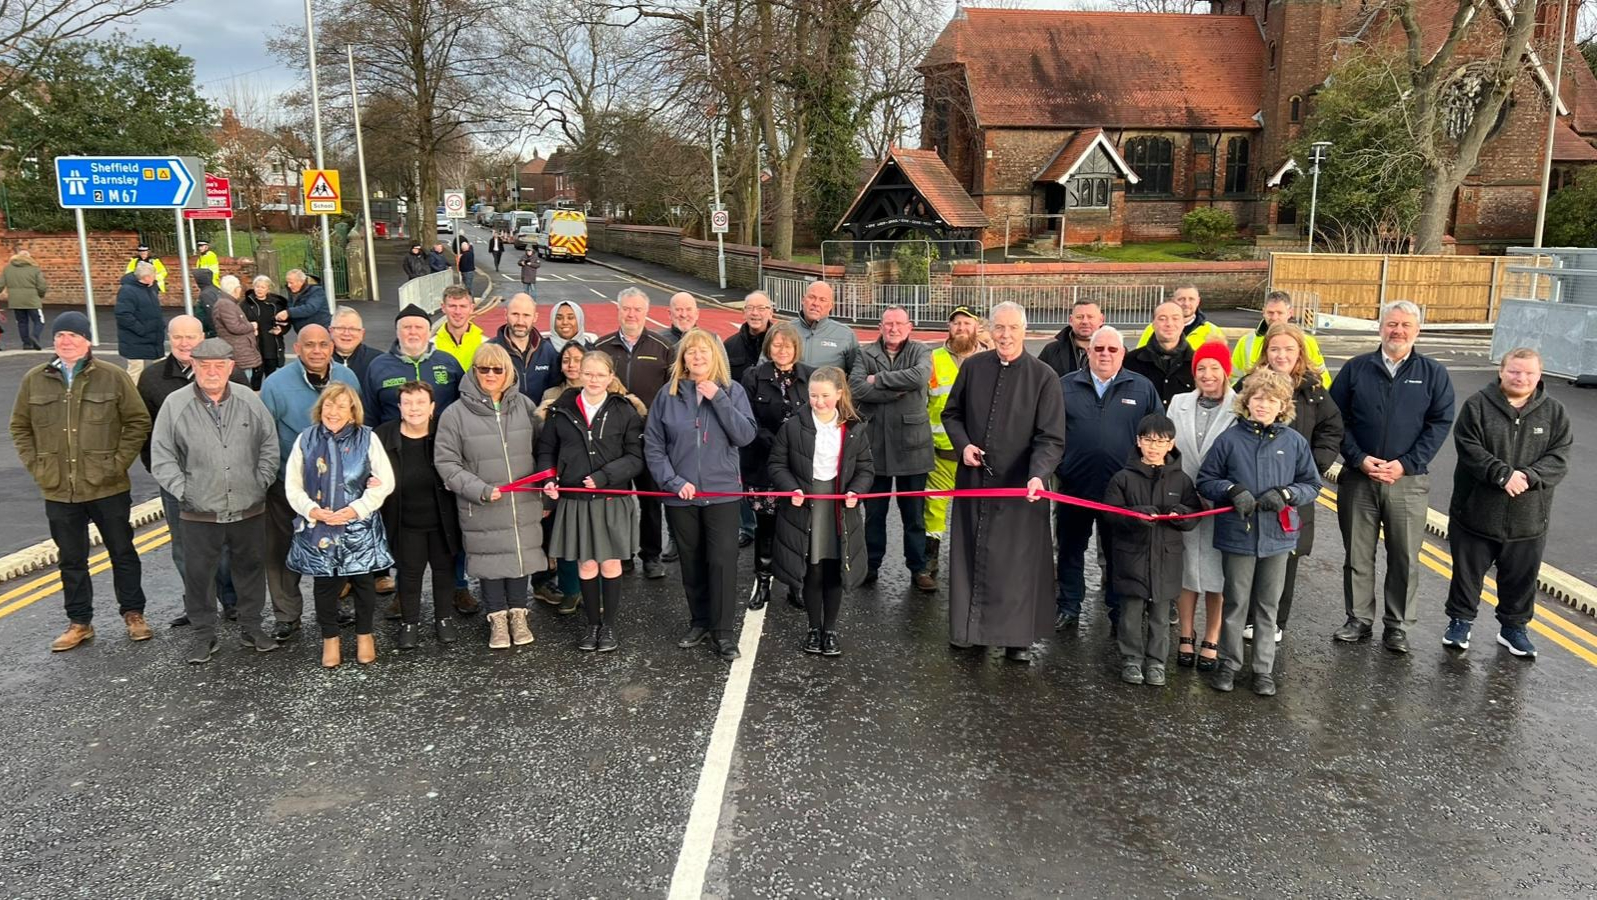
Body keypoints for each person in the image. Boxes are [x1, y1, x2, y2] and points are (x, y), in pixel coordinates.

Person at [10, 311, 152, 652]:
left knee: (123, 552)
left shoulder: (113, 376)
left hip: (108, 486)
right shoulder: (34, 379)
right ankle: (79, 622)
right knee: (71, 559)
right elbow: (20, 427)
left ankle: (134, 615)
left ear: (88, 340)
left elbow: (137, 421)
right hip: (59, 489)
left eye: (73, 335)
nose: (66, 341)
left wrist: (117, 464)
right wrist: (38, 466)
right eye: (60, 336)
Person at [941, 302, 1066, 662]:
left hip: (1021, 487)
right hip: (975, 480)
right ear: (988, 331)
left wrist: (1038, 474)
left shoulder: (1044, 377)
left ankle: (1016, 640)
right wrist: (963, 446)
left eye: (1012, 328)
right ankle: (969, 630)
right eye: (998, 328)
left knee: (1016, 565)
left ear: (1025, 331)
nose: (1005, 335)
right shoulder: (973, 367)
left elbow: (1051, 437)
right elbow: (952, 414)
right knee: (970, 555)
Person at [1330, 300, 1455, 653]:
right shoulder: (1356, 369)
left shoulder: (1433, 374)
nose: (1397, 331)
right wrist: (1358, 458)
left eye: (1405, 325)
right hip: (1359, 477)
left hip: (1408, 481)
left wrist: (1406, 463)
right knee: (1357, 553)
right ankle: (1358, 619)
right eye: (1391, 324)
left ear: (1417, 330)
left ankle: (1397, 625)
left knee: (1404, 555)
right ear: (1380, 327)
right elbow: (1337, 420)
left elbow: (1439, 423)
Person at [150, 338, 279, 664]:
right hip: (199, 511)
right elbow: (162, 456)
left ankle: (252, 627)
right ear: (193, 366)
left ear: (230, 367)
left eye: (219, 365)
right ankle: (203, 636)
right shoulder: (175, 405)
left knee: (250, 570)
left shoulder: (249, 399)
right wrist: (185, 491)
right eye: (204, 365)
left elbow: (269, 444)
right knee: (199, 575)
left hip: (249, 506)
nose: (212, 371)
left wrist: (260, 481)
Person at [1197, 370, 1321, 696]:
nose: (1263, 405)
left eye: (1271, 400)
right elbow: (1206, 479)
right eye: (1257, 398)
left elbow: (1311, 485)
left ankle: (1263, 669)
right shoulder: (1229, 439)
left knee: (1268, 605)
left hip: (1278, 537)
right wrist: (1231, 489)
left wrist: (1286, 495)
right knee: (1236, 602)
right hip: (1239, 533)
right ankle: (1228, 664)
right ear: (1246, 401)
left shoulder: (1294, 442)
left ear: (1282, 405)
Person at [1443, 348, 1572, 659]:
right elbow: (1468, 447)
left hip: (1528, 520)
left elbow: (1559, 457)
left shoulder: (1554, 413)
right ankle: (1460, 622)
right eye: (1515, 371)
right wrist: (1501, 475)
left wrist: (1527, 477)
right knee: (1467, 574)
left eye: (1529, 372)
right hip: (1475, 514)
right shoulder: (1478, 405)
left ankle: (1513, 628)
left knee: (1521, 577)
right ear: (1501, 371)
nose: (1521, 378)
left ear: (1539, 375)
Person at [645, 328, 757, 661]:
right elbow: (653, 444)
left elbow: (745, 435)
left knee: (722, 563)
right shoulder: (667, 394)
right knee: (691, 562)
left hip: (722, 494)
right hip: (681, 496)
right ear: (682, 358)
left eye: (704, 351)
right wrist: (672, 481)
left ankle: (723, 632)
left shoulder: (732, 391)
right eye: (691, 352)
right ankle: (700, 621)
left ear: (715, 357)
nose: (697, 356)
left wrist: (717, 399)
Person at [435, 343, 547, 650]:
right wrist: (478, 490)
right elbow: (446, 463)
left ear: (508, 372)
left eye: (497, 369)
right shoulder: (454, 414)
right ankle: (497, 617)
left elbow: (542, 450)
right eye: (483, 368)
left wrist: (544, 492)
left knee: (519, 557)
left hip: (522, 500)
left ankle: (518, 613)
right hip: (482, 502)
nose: (490, 375)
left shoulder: (525, 406)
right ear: (474, 371)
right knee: (490, 561)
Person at [137, 315, 246, 628]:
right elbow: (146, 432)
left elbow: (246, 425)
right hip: (177, 481)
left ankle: (232, 602)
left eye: (191, 337)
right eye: (177, 337)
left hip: (223, 478)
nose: (184, 343)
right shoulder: (152, 377)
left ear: (203, 337)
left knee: (223, 545)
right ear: (169, 338)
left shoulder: (231, 372)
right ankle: (199, 606)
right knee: (184, 548)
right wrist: (160, 471)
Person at [1053, 325, 1163, 631]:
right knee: (1070, 549)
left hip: (1122, 492)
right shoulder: (1064, 386)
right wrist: (1061, 467)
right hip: (1075, 486)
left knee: (1119, 554)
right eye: (1098, 349)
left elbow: (1156, 436)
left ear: (1122, 353)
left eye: (1112, 349)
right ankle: (1069, 605)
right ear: (1088, 352)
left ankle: (1118, 611)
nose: (1105, 354)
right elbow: (1050, 432)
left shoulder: (1141, 388)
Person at [259, 325, 363, 639]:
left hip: (336, 485)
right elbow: (264, 436)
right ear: (297, 347)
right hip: (287, 484)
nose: (317, 351)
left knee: (331, 547)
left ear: (332, 347)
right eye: (309, 345)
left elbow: (359, 426)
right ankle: (287, 615)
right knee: (281, 550)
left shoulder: (348, 378)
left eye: (323, 345)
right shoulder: (275, 384)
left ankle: (330, 607)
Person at [538, 350, 646, 652]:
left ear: (611, 377)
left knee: (610, 564)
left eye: (600, 374)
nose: (593, 380)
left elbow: (636, 458)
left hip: (611, 498)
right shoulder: (561, 410)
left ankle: (608, 626)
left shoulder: (624, 410)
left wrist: (605, 476)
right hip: (575, 500)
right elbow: (546, 449)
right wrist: (548, 478)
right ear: (580, 374)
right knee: (586, 565)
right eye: (588, 373)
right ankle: (592, 625)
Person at [285, 383, 395, 667]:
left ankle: (365, 636)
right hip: (319, 526)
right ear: (321, 408)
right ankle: (330, 639)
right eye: (329, 405)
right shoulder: (305, 439)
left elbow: (385, 482)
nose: (334, 412)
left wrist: (355, 509)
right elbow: (293, 485)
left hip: (357, 526)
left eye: (341, 406)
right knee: (324, 585)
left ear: (352, 410)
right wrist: (313, 511)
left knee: (363, 583)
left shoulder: (367, 438)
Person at [1245, 323, 1342, 643]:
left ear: (1300, 352)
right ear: (1266, 352)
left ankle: (1274, 621)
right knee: (1250, 553)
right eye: (1275, 349)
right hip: (1254, 486)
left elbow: (1331, 429)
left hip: (1293, 491)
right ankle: (1247, 618)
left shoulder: (1313, 391)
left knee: (1287, 557)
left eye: (1289, 349)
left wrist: (1313, 468)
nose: (1282, 355)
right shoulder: (1248, 385)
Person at [768, 366, 874, 655]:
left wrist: (857, 491)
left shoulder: (854, 428)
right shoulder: (792, 426)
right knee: (812, 571)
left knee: (834, 571)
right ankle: (813, 629)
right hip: (806, 506)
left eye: (825, 395)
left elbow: (865, 468)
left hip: (839, 506)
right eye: (813, 396)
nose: (819, 402)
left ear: (840, 394)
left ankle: (830, 630)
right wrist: (792, 488)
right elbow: (777, 464)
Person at [1102, 413, 1201, 686]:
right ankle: (1131, 660)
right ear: (1138, 442)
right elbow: (1110, 513)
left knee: (1160, 617)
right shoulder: (1122, 478)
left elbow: (1195, 514)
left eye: (1161, 441)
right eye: (1148, 440)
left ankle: (1157, 662)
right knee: (1130, 616)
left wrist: (1182, 514)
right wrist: (1134, 515)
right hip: (1130, 559)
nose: (1154, 446)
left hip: (1167, 561)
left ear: (1171, 445)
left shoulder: (1181, 481)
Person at [850, 305, 934, 590]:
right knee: (874, 513)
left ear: (910, 326)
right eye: (888, 324)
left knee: (914, 514)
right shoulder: (865, 353)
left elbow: (919, 377)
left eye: (899, 324)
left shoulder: (921, 351)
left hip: (913, 446)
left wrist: (879, 380)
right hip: (875, 445)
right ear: (880, 327)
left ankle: (919, 568)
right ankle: (870, 566)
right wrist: (896, 389)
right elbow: (857, 388)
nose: (893, 328)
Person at [376, 381, 464, 648]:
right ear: (400, 407)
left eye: (420, 402)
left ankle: (443, 619)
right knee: (410, 573)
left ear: (432, 407)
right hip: (404, 521)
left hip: (441, 520)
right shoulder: (383, 436)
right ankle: (410, 622)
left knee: (443, 571)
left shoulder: (444, 433)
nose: (414, 408)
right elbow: (369, 469)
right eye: (408, 403)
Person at [594, 287, 675, 578]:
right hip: (612, 441)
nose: (631, 314)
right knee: (617, 499)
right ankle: (622, 553)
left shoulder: (662, 346)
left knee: (651, 499)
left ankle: (651, 556)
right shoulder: (601, 346)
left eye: (637, 309)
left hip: (649, 438)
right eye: (626, 308)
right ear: (618, 310)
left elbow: (672, 394)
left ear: (646, 312)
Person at [1169, 341, 1236, 670]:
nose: (1207, 375)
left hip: (1222, 502)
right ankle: (1185, 633)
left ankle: (1212, 635)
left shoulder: (1241, 408)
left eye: (1214, 368)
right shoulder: (1179, 403)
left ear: (1227, 371)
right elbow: (1169, 452)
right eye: (1200, 368)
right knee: (1186, 572)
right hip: (1184, 502)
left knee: (1217, 575)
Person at [740, 321, 812, 610]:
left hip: (798, 468)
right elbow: (747, 419)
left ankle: (796, 585)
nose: (783, 350)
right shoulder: (754, 376)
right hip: (763, 464)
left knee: (796, 530)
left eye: (788, 344)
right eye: (777, 344)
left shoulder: (810, 377)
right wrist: (775, 443)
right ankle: (764, 584)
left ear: (797, 348)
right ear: (769, 346)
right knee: (766, 528)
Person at [924, 306, 985, 572]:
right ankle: (930, 561)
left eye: (967, 323)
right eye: (956, 323)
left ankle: (973, 563)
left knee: (975, 509)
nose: (961, 328)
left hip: (978, 454)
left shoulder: (990, 358)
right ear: (949, 328)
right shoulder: (933, 358)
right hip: (940, 450)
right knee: (934, 507)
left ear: (977, 328)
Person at [365, 304, 466, 426]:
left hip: (442, 439)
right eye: (407, 327)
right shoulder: (378, 366)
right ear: (397, 332)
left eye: (419, 327)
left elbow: (463, 404)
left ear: (429, 332)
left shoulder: (448, 362)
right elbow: (369, 413)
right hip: (394, 442)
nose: (413, 332)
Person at [1233, 290, 1329, 385]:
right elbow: (1233, 378)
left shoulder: (1307, 342)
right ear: (1263, 312)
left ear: (1290, 313)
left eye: (1280, 313)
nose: (1274, 317)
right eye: (1270, 313)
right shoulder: (1246, 342)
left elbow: (1321, 377)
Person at [1124, 301, 1196, 407]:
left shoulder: (1197, 363)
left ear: (1183, 324)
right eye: (1162, 319)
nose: (1169, 324)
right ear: (1153, 324)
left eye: (1175, 318)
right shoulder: (1130, 362)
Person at [493, 292, 557, 403]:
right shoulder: (491, 351)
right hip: (504, 419)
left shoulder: (548, 351)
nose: (520, 321)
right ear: (506, 314)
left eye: (526, 315)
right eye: (515, 314)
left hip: (538, 418)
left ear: (535, 317)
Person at [1136, 285, 1226, 351]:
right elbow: (1139, 358)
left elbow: (1221, 366)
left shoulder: (1212, 331)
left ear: (1198, 301)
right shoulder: (1153, 328)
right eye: (1181, 299)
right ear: (1173, 301)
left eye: (1191, 299)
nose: (1186, 303)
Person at [794, 280, 859, 372]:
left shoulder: (846, 335)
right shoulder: (786, 330)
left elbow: (856, 375)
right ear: (803, 300)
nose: (816, 303)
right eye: (812, 297)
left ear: (830, 306)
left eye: (822, 300)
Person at [114, 261, 164, 379]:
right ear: (146, 277)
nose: (155, 277)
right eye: (153, 275)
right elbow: (123, 315)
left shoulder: (150, 288)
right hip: (135, 338)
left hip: (153, 335)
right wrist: (141, 329)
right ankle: (132, 395)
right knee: (136, 369)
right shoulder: (127, 291)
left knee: (159, 367)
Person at [210, 275, 263, 383]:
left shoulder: (228, 303)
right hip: (238, 352)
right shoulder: (226, 304)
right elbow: (234, 327)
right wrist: (251, 326)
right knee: (243, 383)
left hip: (239, 351)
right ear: (236, 289)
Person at [1038, 299, 1102, 378]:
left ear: (1101, 320)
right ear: (1071, 320)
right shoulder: (1051, 350)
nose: (1085, 321)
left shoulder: (1115, 350)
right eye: (1079, 317)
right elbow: (1036, 381)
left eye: (1090, 317)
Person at [244, 275, 288, 387]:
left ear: (268, 289)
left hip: (272, 345)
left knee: (272, 377)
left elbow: (287, 322)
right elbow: (240, 321)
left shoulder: (276, 304)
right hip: (256, 345)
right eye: (257, 287)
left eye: (263, 287)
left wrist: (281, 330)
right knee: (256, 376)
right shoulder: (246, 304)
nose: (259, 289)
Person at [1, 247, 48, 350]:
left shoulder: (8, 268)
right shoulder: (34, 269)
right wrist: (41, 295)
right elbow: (42, 285)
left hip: (15, 301)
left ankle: (26, 344)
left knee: (22, 322)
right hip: (32, 300)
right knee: (39, 320)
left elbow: (1, 284)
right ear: (28, 257)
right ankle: (34, 336)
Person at [725, 290, 775, 385]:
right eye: (750, 308)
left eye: (761, 308)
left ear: (770, 313)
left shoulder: (782, 345)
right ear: (744, 313)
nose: (755, 313)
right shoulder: (729, 346)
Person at [434, 284, 485, 371]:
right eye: (452, 306)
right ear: (443, 307)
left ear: (471, 308)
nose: (458, 312)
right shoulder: (432, 345)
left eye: (463, 306)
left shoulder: (485, 343)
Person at [192, 268, 221, 338]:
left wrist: (211, 333)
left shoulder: (206, 294)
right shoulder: (214, 290)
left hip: (210, 333)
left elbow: (211, 313)